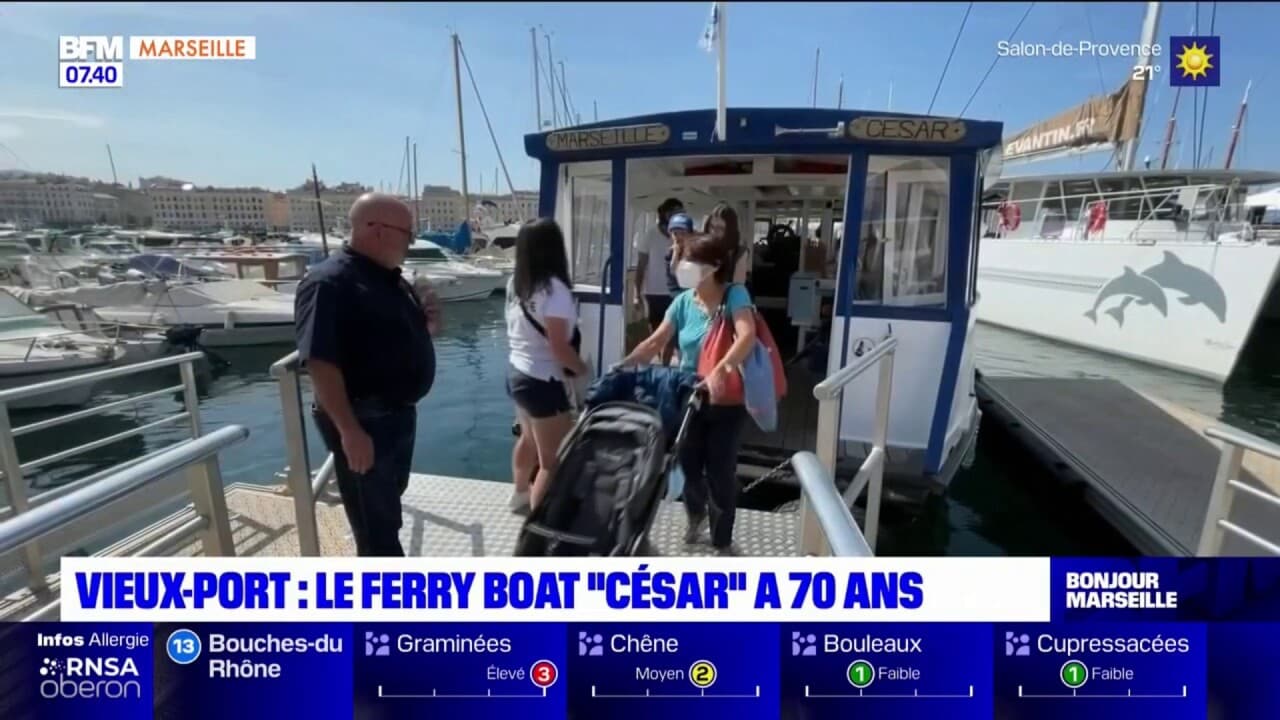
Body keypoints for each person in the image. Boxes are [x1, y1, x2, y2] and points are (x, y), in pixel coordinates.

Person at [294, 193, 440, 557]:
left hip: (396, 416)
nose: (410, 241)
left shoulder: (387, 277)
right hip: (364, 420)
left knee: (386, 512)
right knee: (376, 532)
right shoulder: (329, 283)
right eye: (407, 232)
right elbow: (320, 362)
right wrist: (349, 431)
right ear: (375, 230)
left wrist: (427, 323)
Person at [621, 232, 756, 555]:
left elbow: (746, 336)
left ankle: (722, 538)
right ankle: (695, 516)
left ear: (713, 267)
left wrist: (721, 369)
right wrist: (623, 366)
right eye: (683, 261)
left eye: (690, 262)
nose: (682, 267)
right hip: (688, 395)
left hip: (726, 398)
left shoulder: (734, 295)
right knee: (689, 466)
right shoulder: (683, 302)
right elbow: (656, 341)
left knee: (721, 470)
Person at [506, 218, 589, 515]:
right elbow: (558, 347)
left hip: (517, 374)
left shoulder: (517, 286)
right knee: (553, 462)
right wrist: (581, 369)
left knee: (528, 440)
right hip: (542, 381)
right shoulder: (555, 291)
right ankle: (541, 529)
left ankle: (519, 495)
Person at [633, 198, 684, 362]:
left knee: (671, 333)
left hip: (675, 293)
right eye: (676, 212)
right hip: (654, 293)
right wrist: (636, 294)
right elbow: (641, 266)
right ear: (666, 214)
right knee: (656, 333)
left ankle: (665, 366)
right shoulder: (650, 234)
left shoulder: (683, 236)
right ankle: (659, 361)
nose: (679, 216)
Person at [702, 202, 750, 284]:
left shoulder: (739, 252)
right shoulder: (702, 248)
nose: (713, 232)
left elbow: (738, 288)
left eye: (720, 228)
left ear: (729, 231)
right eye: (712, 226)